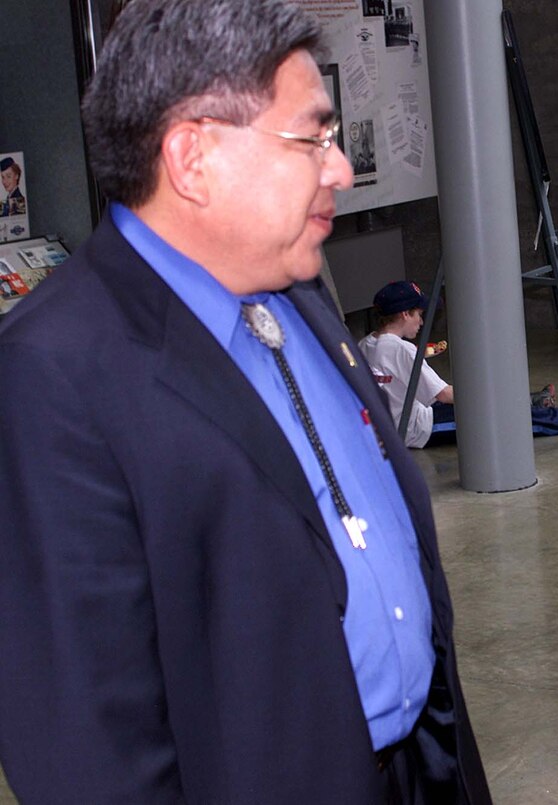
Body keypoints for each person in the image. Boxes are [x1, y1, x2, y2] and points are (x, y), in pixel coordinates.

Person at [0, 1, 490, 802]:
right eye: (312, 138)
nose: (338, 169)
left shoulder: (298, 293)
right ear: (193, 157)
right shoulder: (55, 375)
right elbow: (86, 742)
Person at [360, 280, 558, 448]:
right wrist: (486, 395)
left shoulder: (365, 344)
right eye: (419, 315)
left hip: (404, 417)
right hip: (419, 428)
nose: (422, 322)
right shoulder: (403, 350)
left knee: (488, 401)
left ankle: (532, 402)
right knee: (493, 414)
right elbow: (446, 395)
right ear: (405, 314)